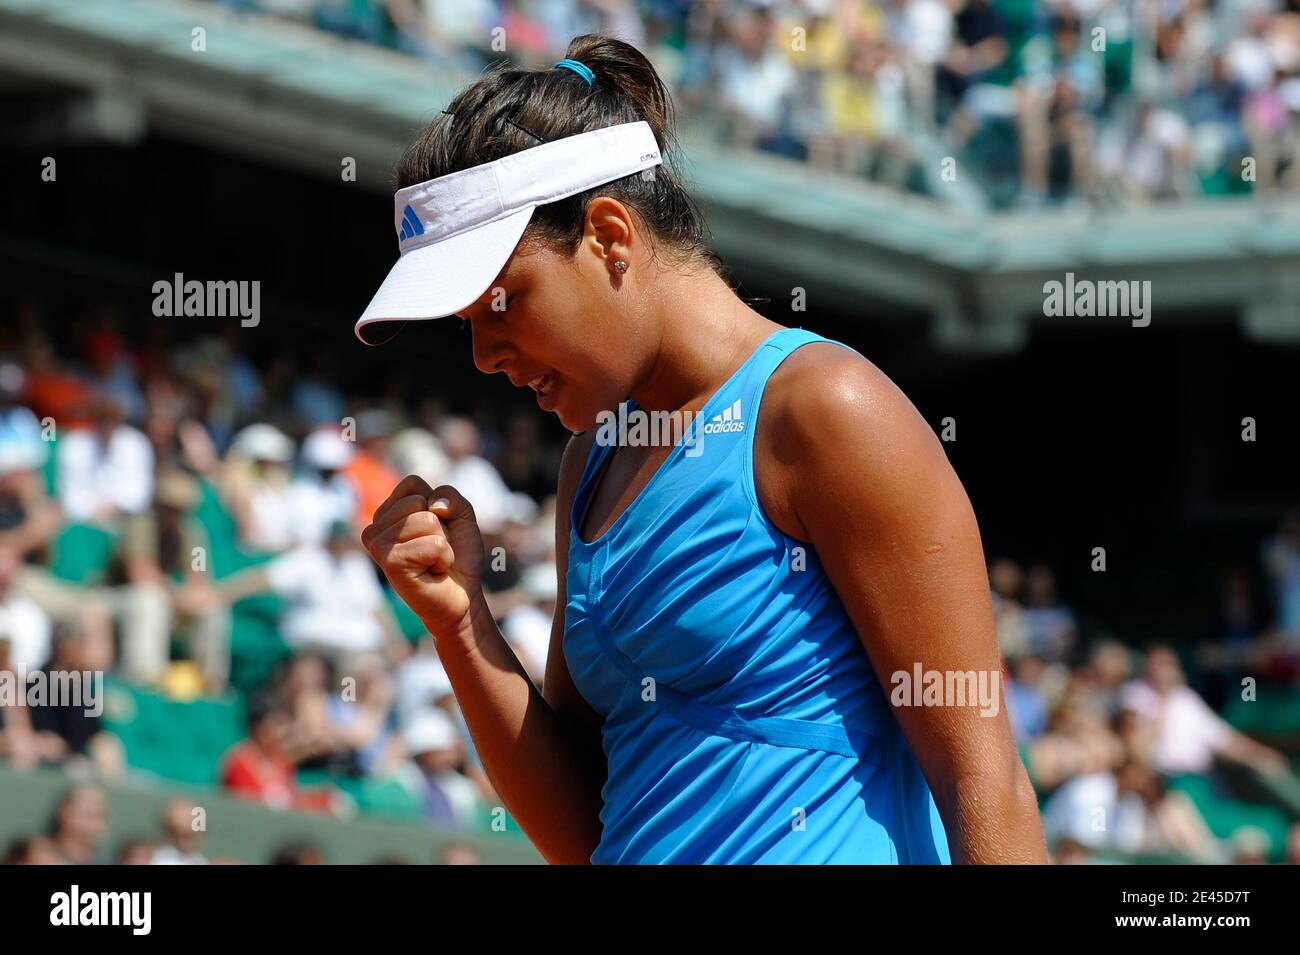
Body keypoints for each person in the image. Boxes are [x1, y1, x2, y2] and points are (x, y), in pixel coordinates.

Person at [355, 35, 1045, 863]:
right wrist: (462, 626)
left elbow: (983, 779)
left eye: (502, 302)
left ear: (610, 235)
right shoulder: (589, 467)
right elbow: (586, 833)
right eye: (467, 323)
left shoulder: (826, 409)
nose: (483, 355)